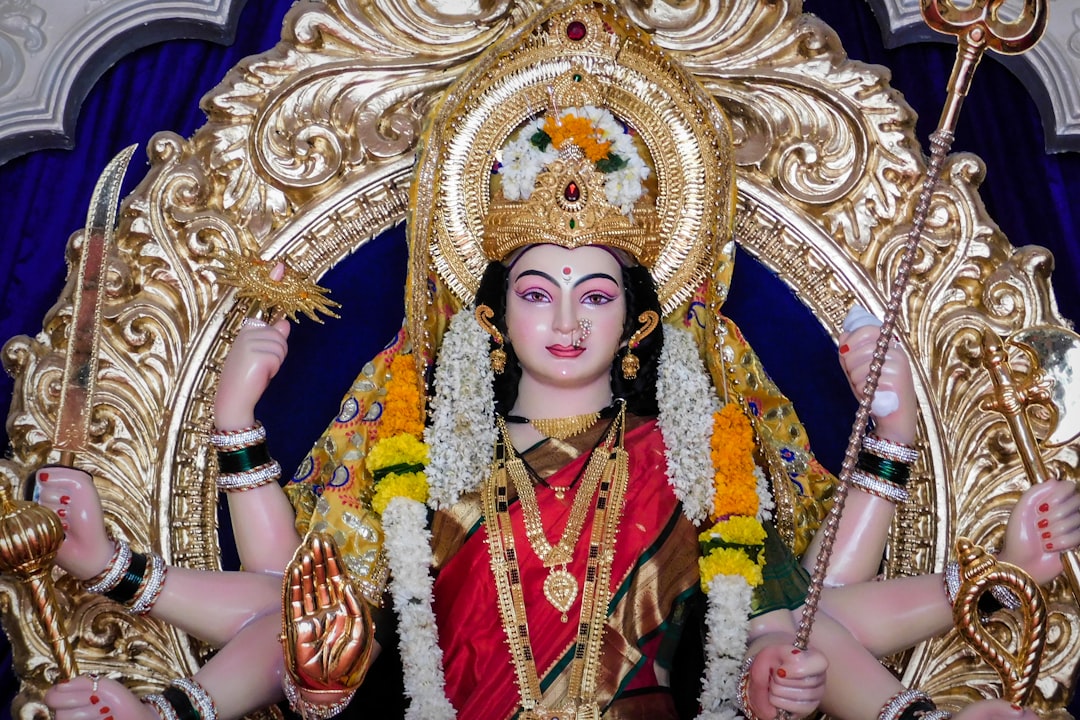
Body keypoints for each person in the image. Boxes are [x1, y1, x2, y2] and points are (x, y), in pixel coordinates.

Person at [30, 2, 1080, 719]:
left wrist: (978, 576)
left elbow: (808, 617)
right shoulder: (429, 449)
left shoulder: (693, 451)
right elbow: (294, 603)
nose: (567, 321)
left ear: (636, 317)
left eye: (597, 292)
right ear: (490, 313)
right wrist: (162, 513)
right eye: (536, 291)